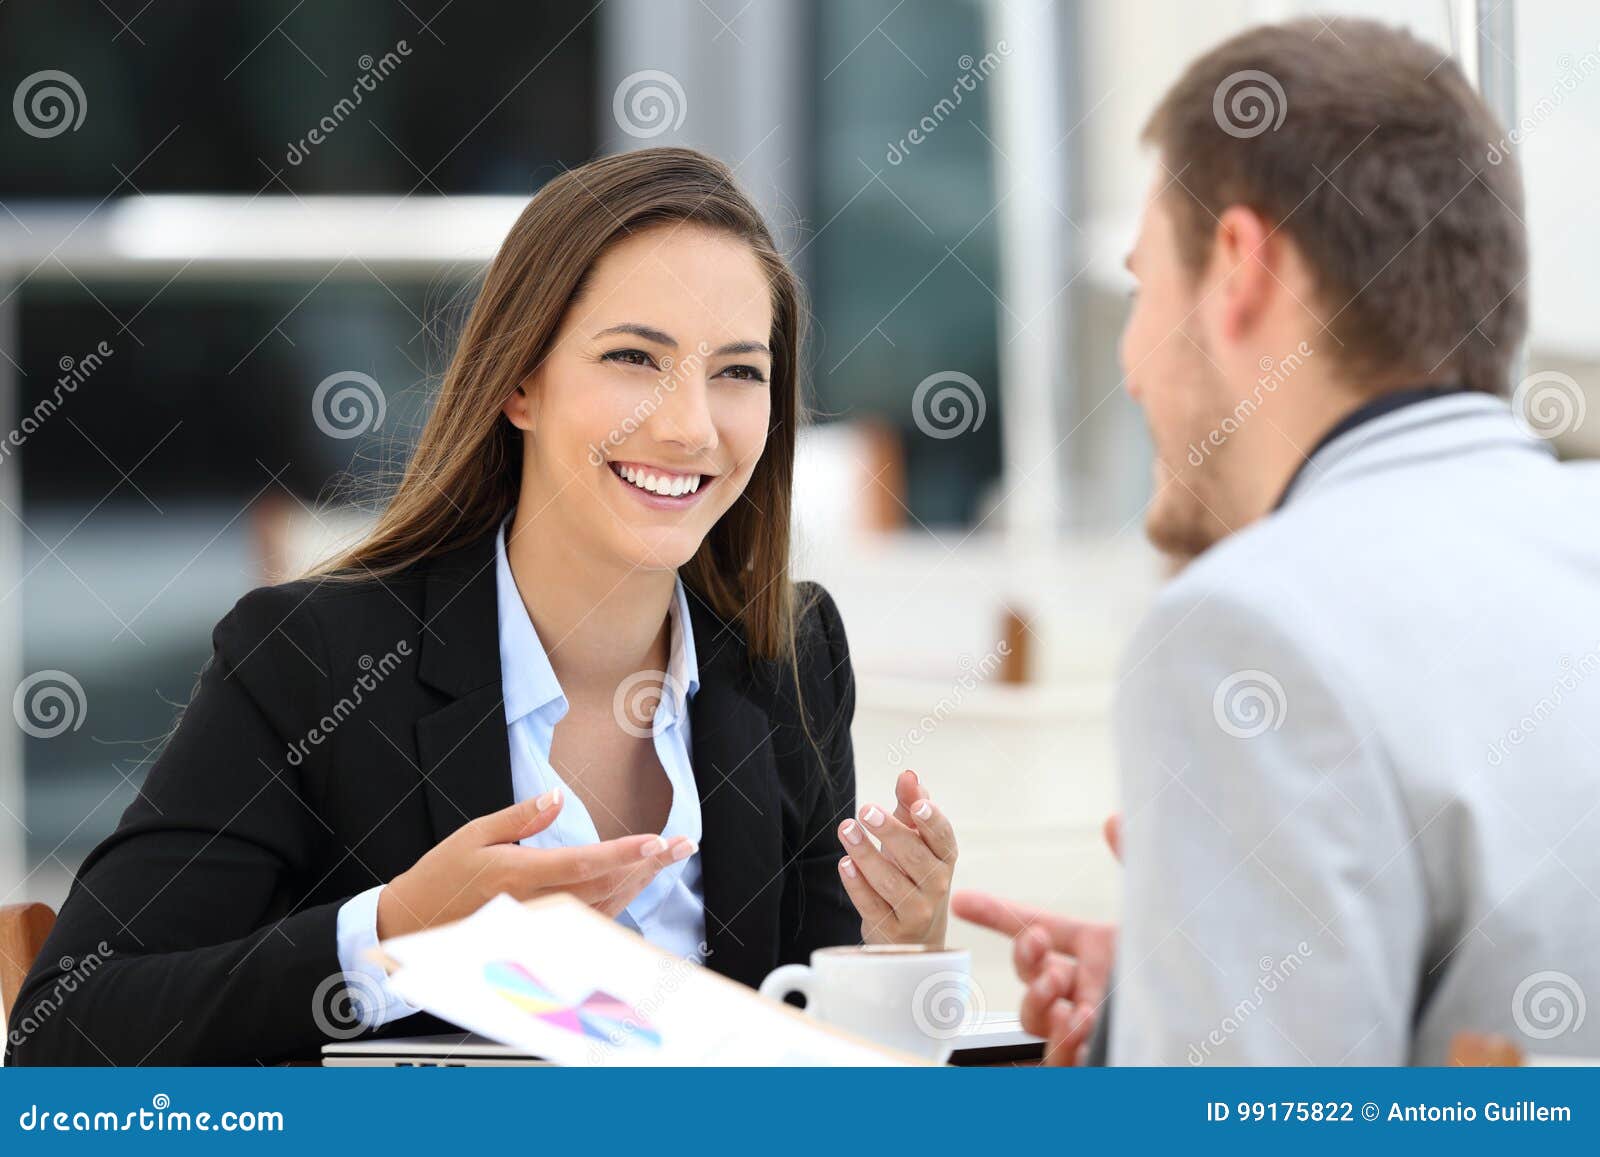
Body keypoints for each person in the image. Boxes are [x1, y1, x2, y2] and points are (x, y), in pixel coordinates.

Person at [6, 147, 958, 1065]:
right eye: (634, 357)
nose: (689, 425)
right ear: (519, 383)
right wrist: (393, 933)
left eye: (739, 371)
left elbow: (830, 1060)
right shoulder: (312, 661)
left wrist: (903, 950)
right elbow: (66, 1034)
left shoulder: (790, 653)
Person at [956, 18, 1600, 1065]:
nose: (1128, 366)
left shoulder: (1250, 625)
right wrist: (1189, 982)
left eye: (1141, 285)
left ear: (1239, 268)